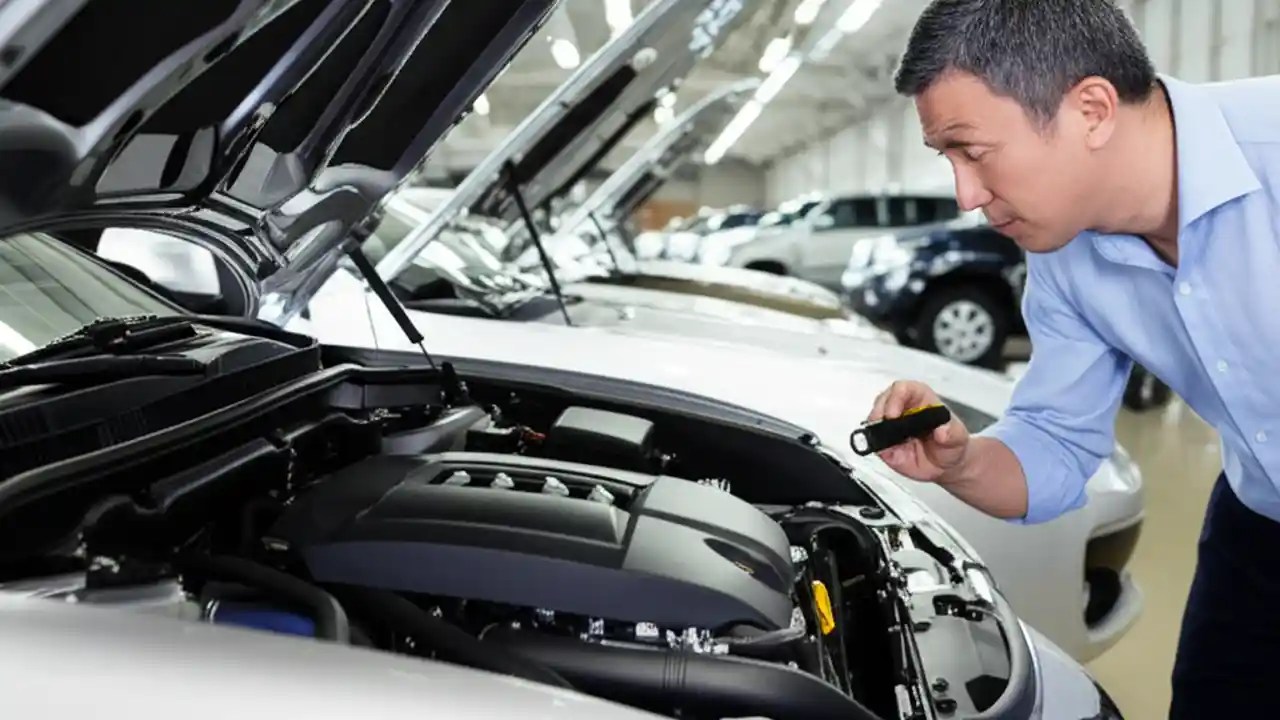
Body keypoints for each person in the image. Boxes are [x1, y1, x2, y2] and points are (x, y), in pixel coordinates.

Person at [869, 0, 1280, 716]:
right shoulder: (1064, 255)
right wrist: (961, 461)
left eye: (973, 150)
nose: (966, 195)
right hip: (1258, 518)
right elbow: (1056, 444)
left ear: (1091, 109)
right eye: (948, 159)